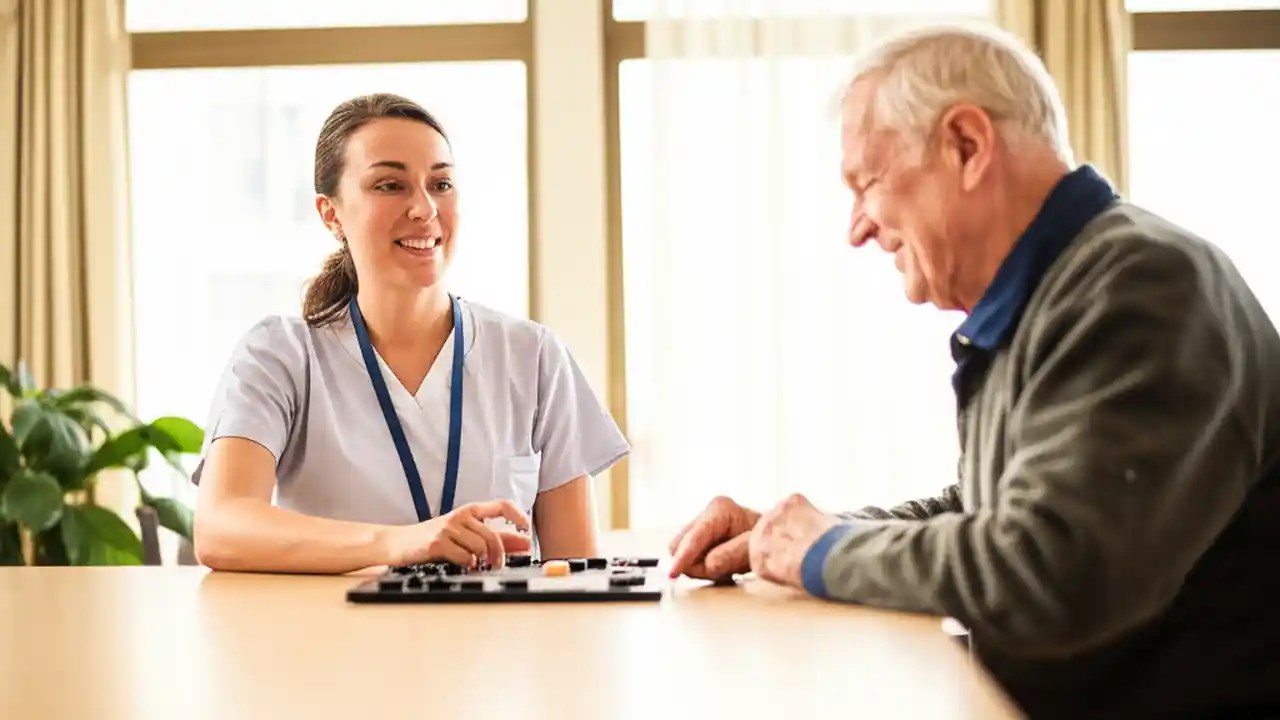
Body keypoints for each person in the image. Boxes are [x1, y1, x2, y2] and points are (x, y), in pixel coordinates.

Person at [668, 25, 1280, 719]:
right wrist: (791, 536)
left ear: (967, 144)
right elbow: (989, 511)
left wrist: (825, 550)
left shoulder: (1143, 285)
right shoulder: (1072, 286)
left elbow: (1047, 568)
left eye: (866, 183)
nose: (857, 227)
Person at [193, 93, 628, 575]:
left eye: (440, 183)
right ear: (330, 214)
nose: (423, 208)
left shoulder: (534, 357)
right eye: (389, 185)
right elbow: (220, 526)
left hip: (496, 647)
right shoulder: (280, 356)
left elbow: (577, 577)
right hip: (328, 646)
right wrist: (403, 543)